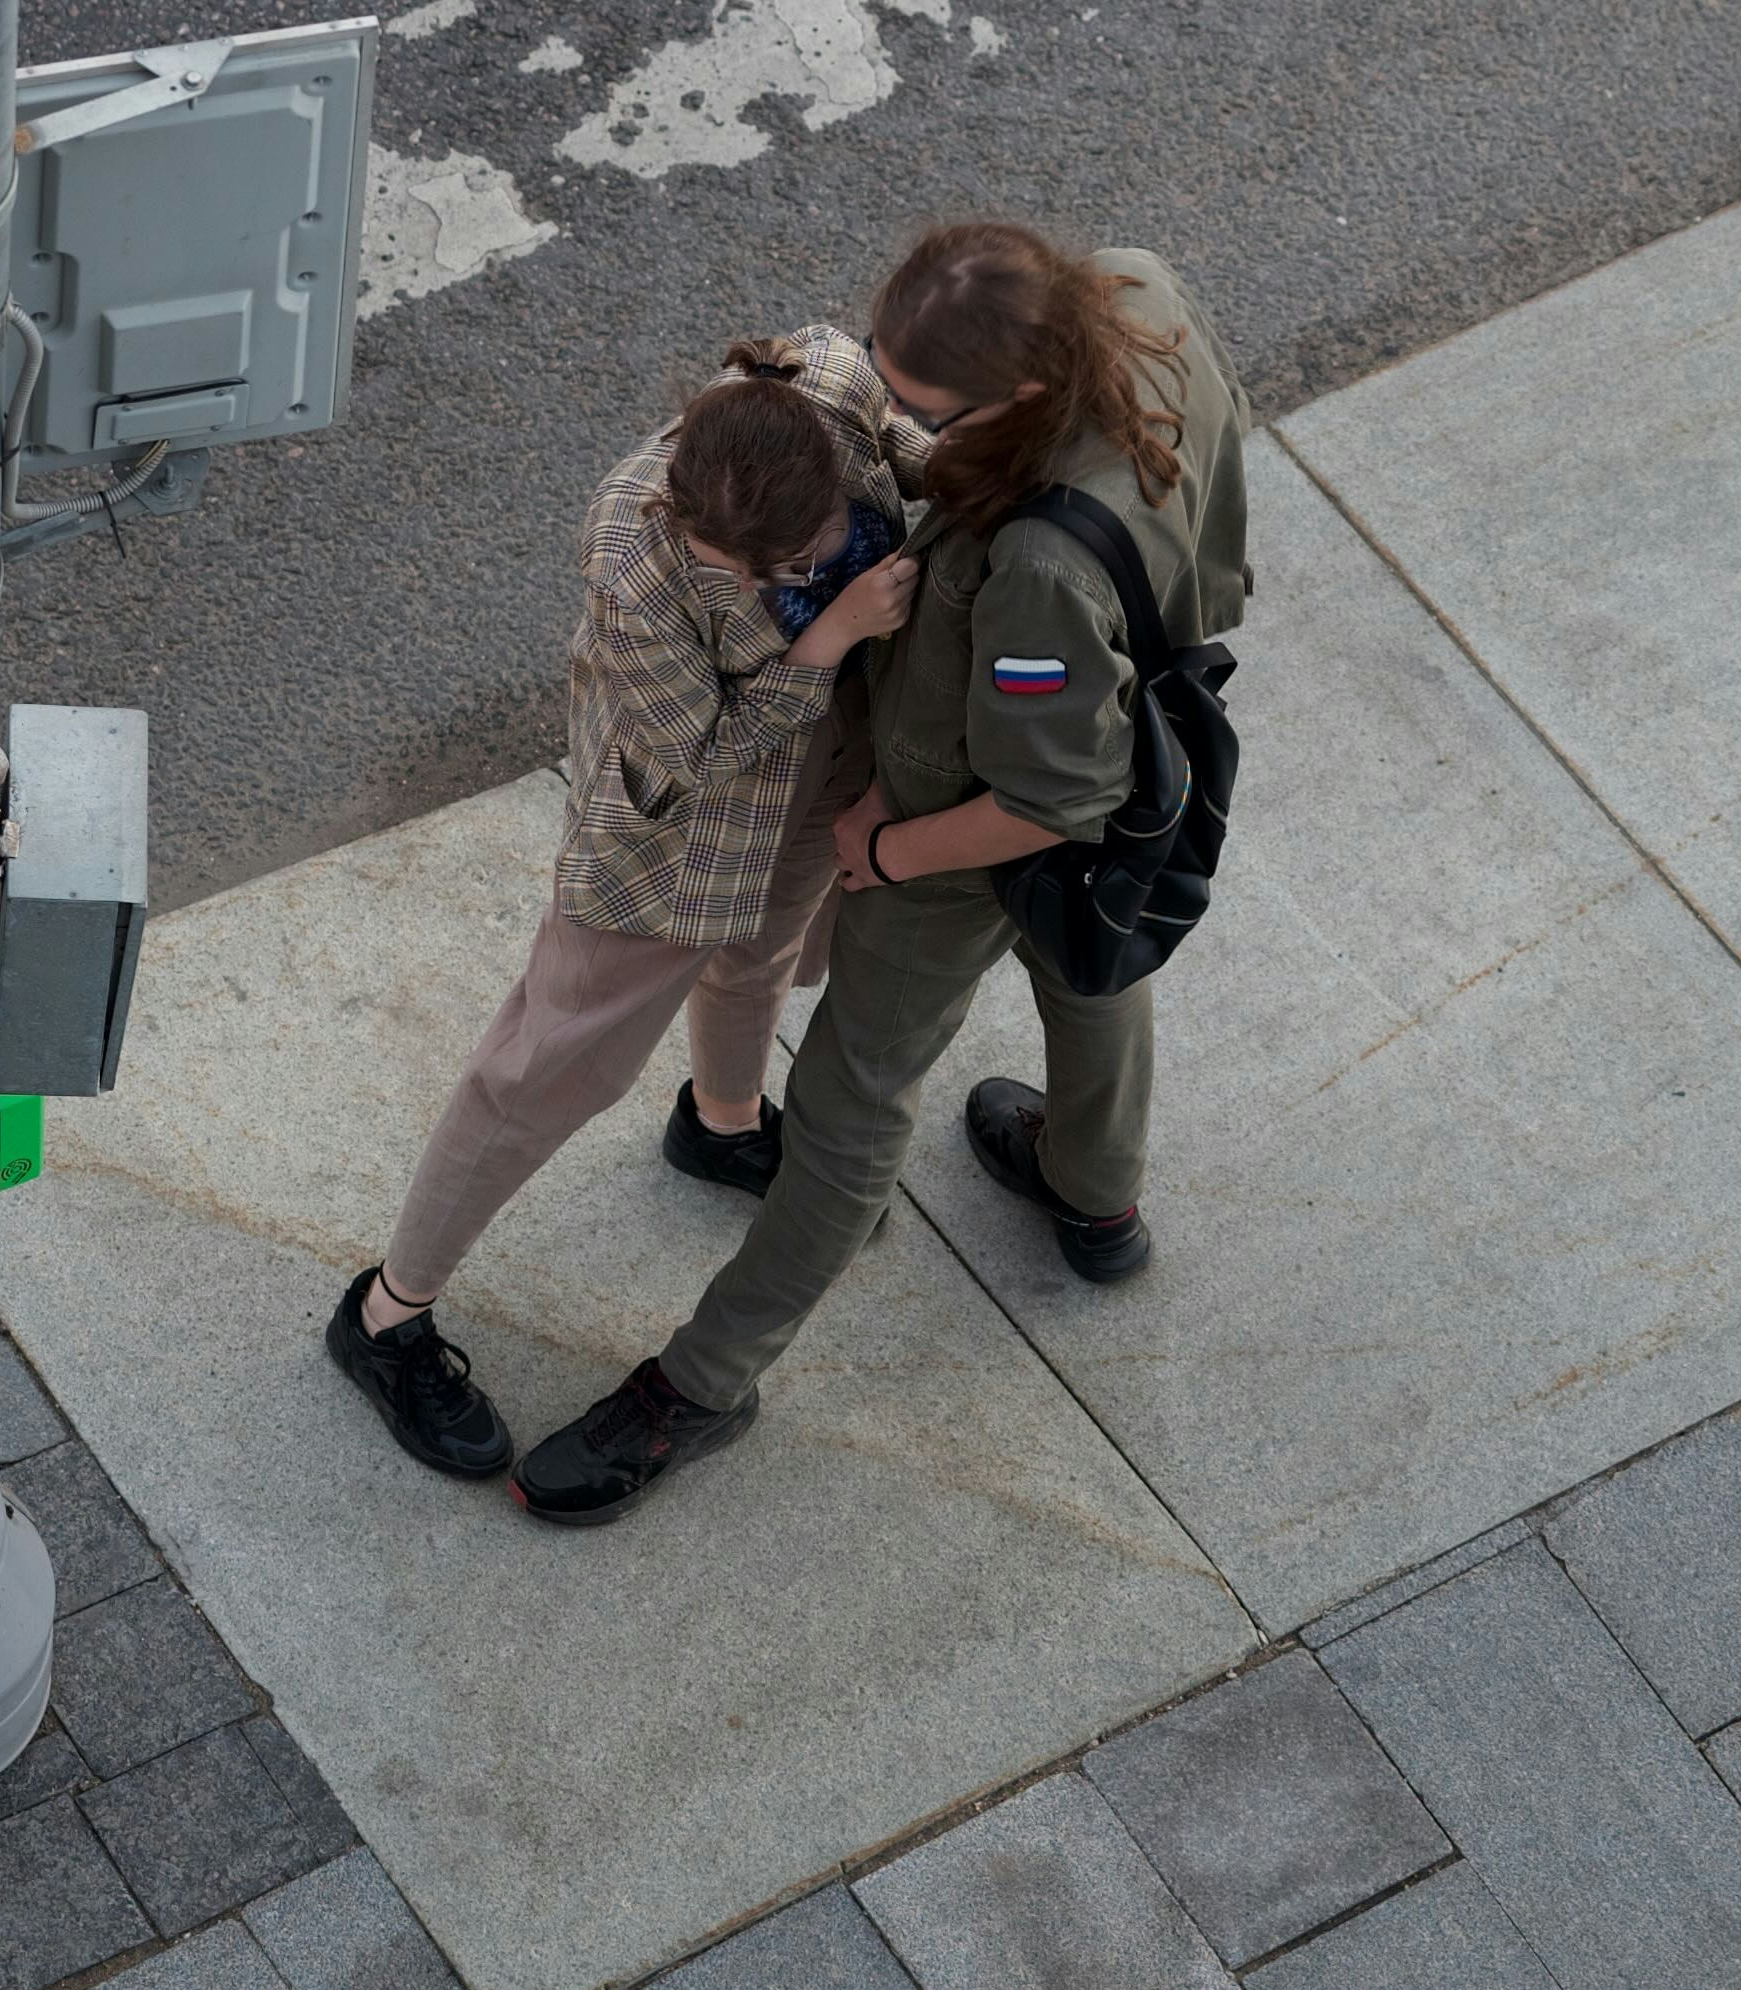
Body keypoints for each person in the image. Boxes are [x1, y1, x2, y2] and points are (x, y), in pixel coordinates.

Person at [511, 219, 1248, 1520]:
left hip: (969, 806)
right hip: (1132, 706)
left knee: (850, 1103)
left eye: (918, 409)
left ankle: (701, 1386)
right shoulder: (1141, 293)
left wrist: (884, 842)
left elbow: (1044, 800)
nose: (889, 425)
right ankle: (1095, 1197)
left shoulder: (1036, 569)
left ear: (1019, 392)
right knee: (1093, 948)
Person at [323, 327, 924, 1479]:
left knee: (765, 957)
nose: (785, 582)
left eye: (804, 555)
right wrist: (831, 636)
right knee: (544, 1067)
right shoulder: (631, 563)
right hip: (677, 834)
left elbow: (911, 448)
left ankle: (723, 1122)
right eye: (756, 573)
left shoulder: (829, 386)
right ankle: (386, 1316)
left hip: (820, 775)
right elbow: (694, 753)